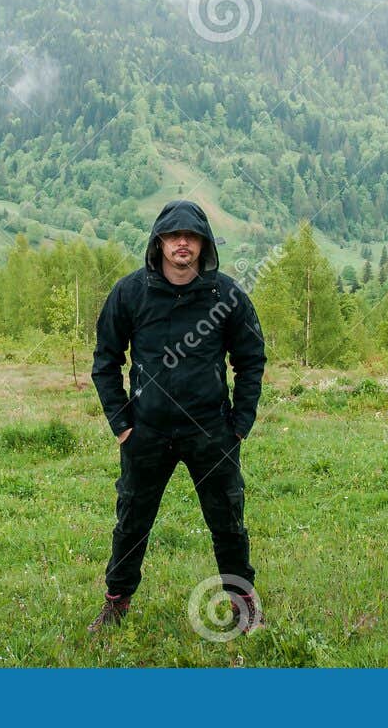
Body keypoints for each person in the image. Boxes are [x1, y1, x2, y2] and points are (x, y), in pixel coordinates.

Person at [86, 199, 266, 634]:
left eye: (191, 236)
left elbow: (251, 358)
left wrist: (240, 424)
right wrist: (122, 424)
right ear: (159, 241)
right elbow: (105, 360)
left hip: (211, 432)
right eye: (173, 235)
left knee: (228, 521)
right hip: (146, 432)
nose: (182, 243)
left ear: (204, 244)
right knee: (132, 521)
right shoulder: (129, 293)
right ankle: (117, 602)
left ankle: (243, 607)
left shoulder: (228, 295)